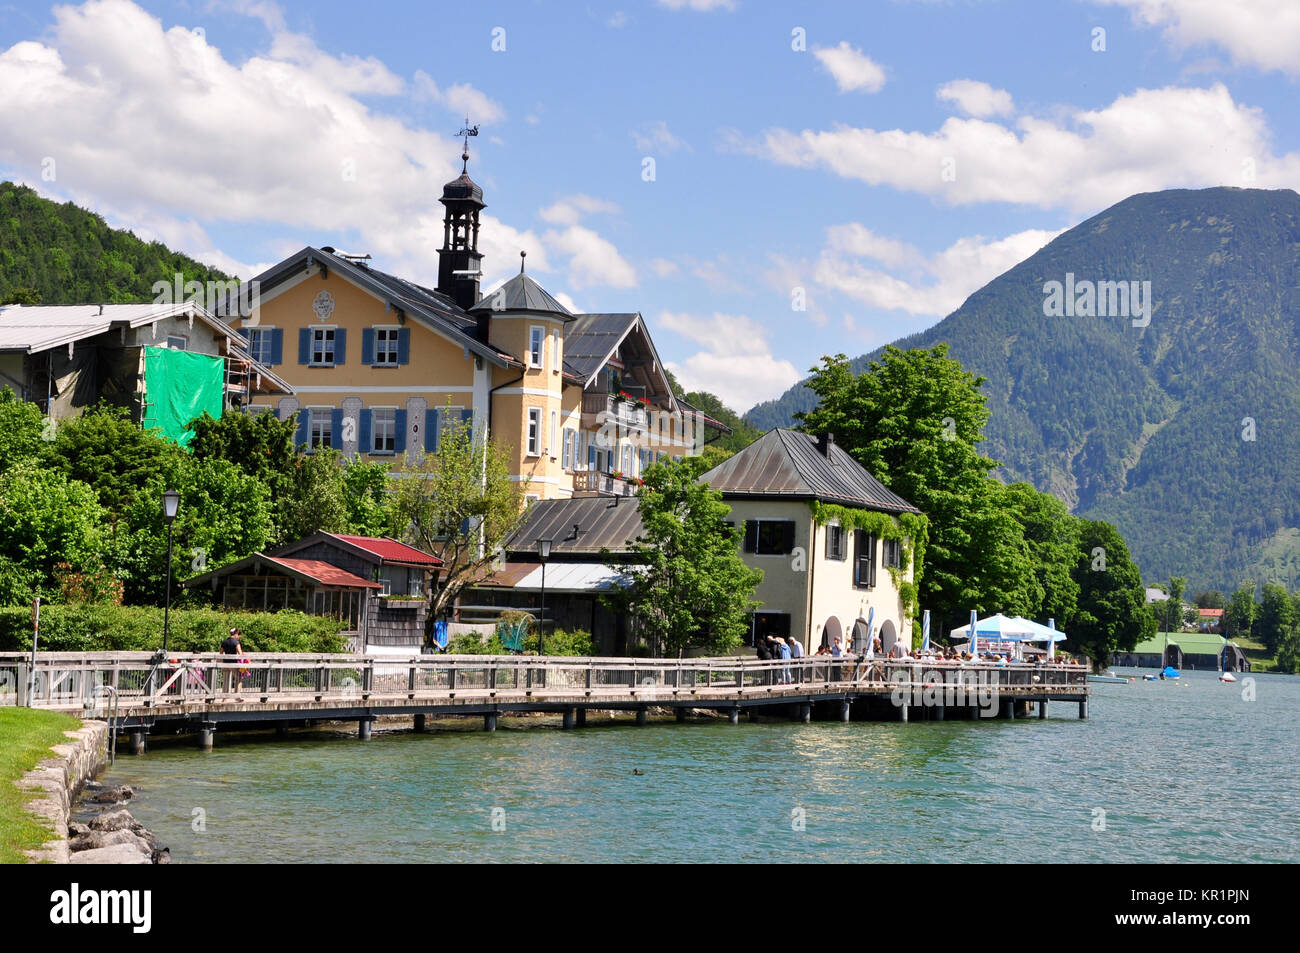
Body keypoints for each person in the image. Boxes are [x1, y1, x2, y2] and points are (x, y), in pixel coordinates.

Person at [221, 627, 244, 697]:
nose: (239, 637)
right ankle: (237, 696)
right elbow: (240, 654)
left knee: (226, 680)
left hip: (225, 663)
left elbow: (221, 653)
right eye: (239, 636)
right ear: (236, 634)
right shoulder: (236, 642)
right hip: (233, 664)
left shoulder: (224, 642)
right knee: (238, 679)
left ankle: (224, 697)